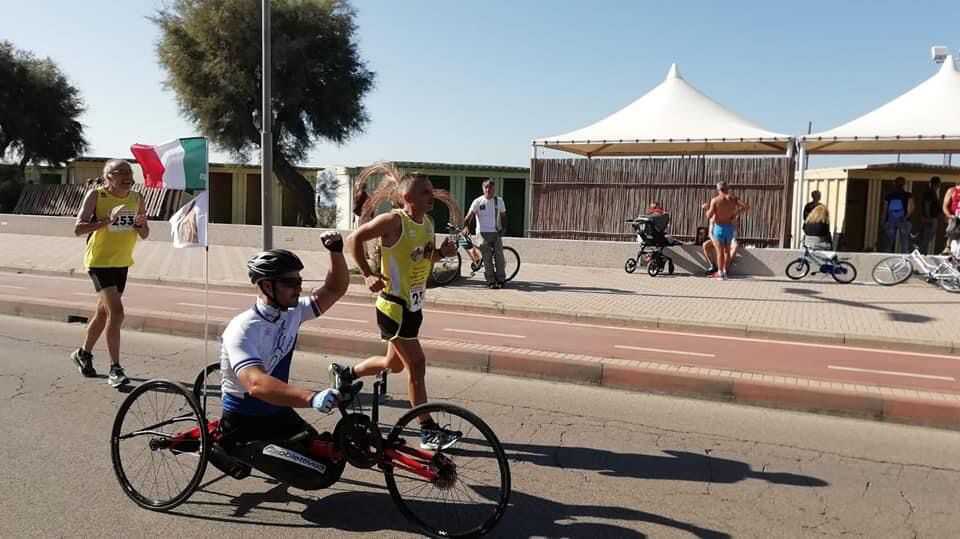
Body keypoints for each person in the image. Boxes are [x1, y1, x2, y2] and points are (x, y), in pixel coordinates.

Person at [341, 172, 459, 450]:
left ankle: (348, 375)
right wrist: (367, 274)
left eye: (431, 191)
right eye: (425, 193)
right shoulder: (393, 221)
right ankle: (427, 429)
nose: (432, 197)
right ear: (407, 198)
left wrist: (441, 253)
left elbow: (423, 256)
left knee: (392, 364)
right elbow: (353, 240)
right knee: (416, 365)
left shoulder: (427, 223)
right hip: (393, 306)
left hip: (413, 305)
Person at [215, 239, 347, 480]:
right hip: (245, 421)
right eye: (290, 282)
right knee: (319, 475)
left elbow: (334, 289)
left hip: (278, 414)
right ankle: (224, 446)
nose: (298, 288)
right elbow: (255, 384)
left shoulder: (293, 311)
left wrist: (336, 252)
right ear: (267, 285)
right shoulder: (242, 328)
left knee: (332, 460)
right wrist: (311, 397)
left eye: (299, 281)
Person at [69, 159, 149, 388]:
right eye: (120, 172)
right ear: (108, 177)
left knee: (103, 313)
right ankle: (116, 368)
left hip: (122, 262)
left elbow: (144, 233)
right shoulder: (97, 196)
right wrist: (105, 222)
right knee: (117, 312)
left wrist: (140, 224)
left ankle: (83, 353)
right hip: (99, 262)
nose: (127, 176)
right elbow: (78, 228)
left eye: (129, 172)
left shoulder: (137, 198)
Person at [463, 179, 508, 288]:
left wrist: (504, 228)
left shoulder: (499, 201)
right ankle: (491, 281)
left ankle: (501, 279)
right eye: (486, 187)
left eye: (490, 187)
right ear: (483, 189)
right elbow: (469, 216)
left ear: (494, 189)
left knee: (499, 257)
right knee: (487, 257)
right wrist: (466, 227)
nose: (488, 189)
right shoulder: (478, 201)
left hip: (495, 232)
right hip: (482, 233)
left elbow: (503, 216)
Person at [705, 181, 749, 280]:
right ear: (727, 188)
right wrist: (736, 213)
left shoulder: (715, 200)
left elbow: (709, 215)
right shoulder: (733, 199)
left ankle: (720, 273)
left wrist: (705, 209)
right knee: (727, 251)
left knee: (719, 251)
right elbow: (746, 207)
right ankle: (724, 271)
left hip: (719, 227)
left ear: (718, 189)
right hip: (729, 227)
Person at [881, 177, 913, 253]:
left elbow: (885, 209)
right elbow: (912, 207)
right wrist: (906, 217)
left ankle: (887, 259)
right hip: (903, 220)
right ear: (904, 184)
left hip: (891, 220)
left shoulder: (889, 196)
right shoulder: (908, 195)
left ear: (894, 184)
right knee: (904, 243)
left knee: (889, 242)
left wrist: (883, 220)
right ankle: (905, 260)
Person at [919, 176, 944, 255]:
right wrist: (928, 217)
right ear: (936, 184)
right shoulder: (929, 192)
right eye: (939, 184)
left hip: (933, 218)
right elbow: (927, 204)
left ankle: (923, 252)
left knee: (929, 237)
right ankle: (922, 253)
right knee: (927, 236)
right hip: (930, 219)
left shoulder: (933, 193)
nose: (939, 185)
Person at [944, 182, 960, 259]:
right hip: (955, 217)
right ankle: (948, 248)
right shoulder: (952, 190)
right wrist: (949, 215)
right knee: (952, 234)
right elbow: (945, 206)